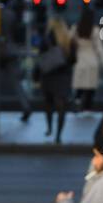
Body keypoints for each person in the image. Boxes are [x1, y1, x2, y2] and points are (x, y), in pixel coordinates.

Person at [35, 13, 74, 143]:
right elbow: (73, 59)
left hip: (48, 76)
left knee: (48, 103)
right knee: (61, 106)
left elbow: (40, 58)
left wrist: (36, 75)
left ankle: (49, 128)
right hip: (63, 76)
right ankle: (58, 135)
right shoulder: (68, 39)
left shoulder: (47, 38)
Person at [70, 6, 103, 116]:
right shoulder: (95, 30)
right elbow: (100, 48)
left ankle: (77, 103)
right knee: (90, 87)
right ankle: (87, 108)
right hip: (92, 61)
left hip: (80, 60)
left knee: (79, 85)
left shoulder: (75, 28)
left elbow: (69, 42)